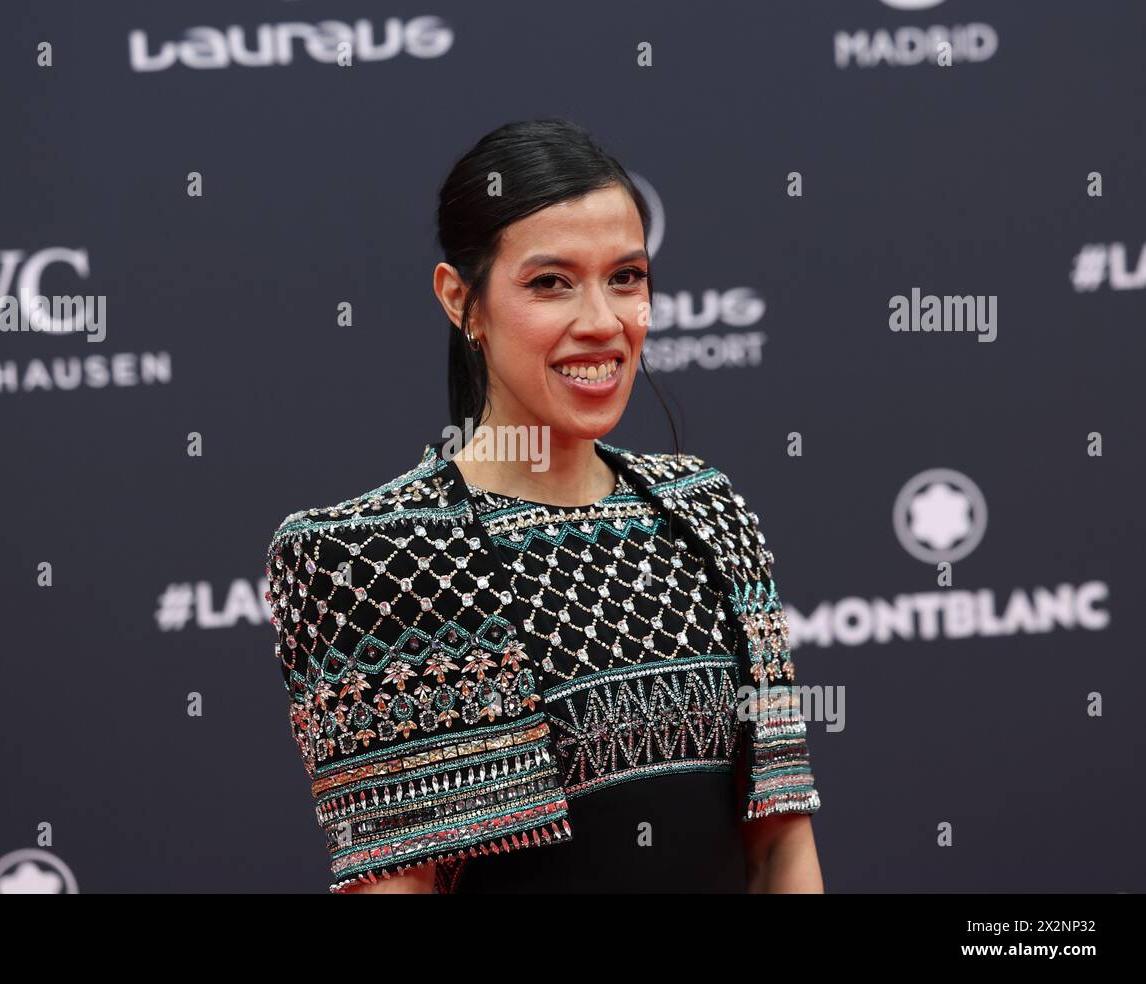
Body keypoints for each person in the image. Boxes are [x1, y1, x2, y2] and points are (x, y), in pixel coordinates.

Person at [265, 118, 822, 893]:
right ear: (464, 303)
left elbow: (779, 849)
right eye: (550, 282)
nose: (601, 322)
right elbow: (401, 887)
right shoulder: (380, 557)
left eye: (626, 277)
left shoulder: (707, 513)